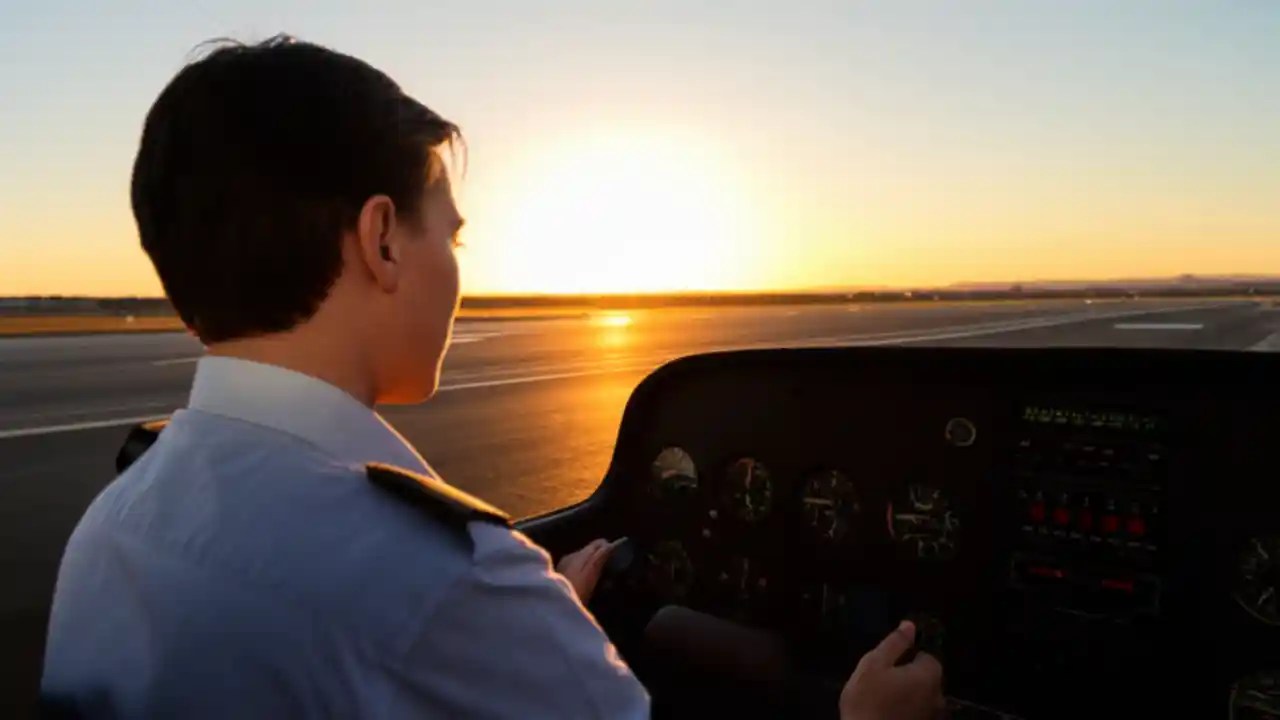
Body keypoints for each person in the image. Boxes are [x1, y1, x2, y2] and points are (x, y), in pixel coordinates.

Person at [41, 36, 944, 718]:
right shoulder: (445, 581)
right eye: (452, 235)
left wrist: (531, 629)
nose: (456, 270)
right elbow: (410, 614)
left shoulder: (113, 525)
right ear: (382, 239)